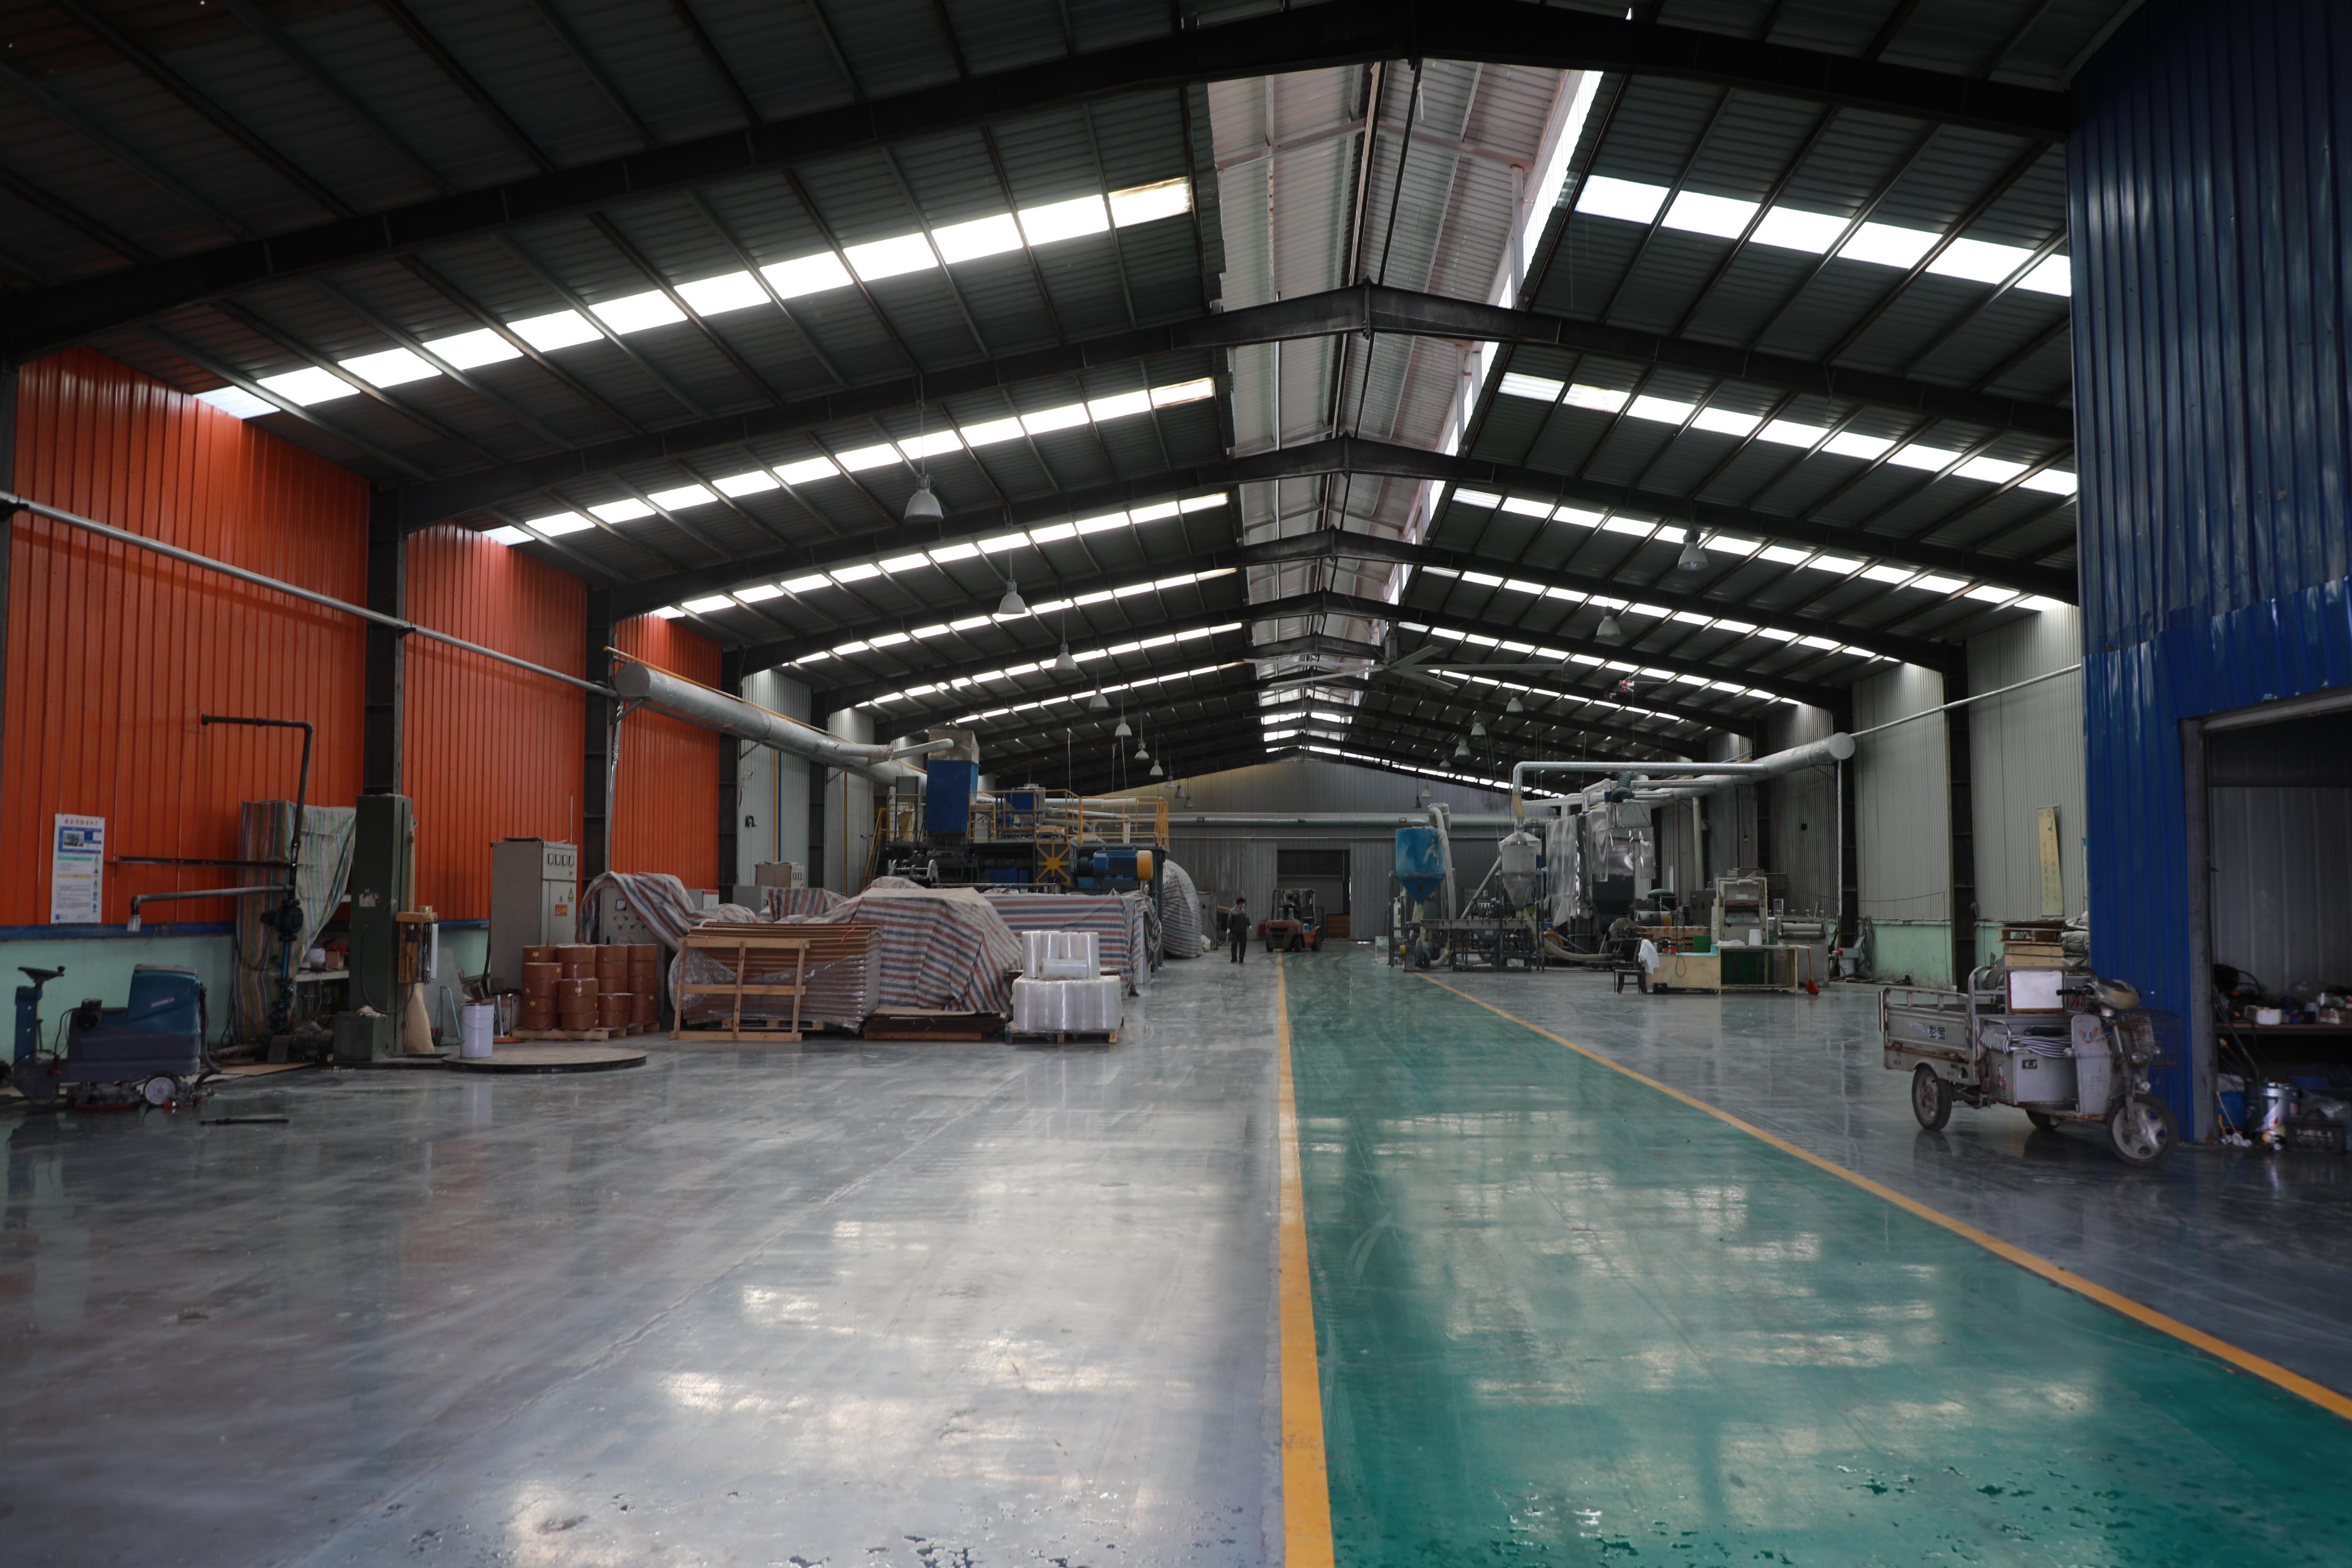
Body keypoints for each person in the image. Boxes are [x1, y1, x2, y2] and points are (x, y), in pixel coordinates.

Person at [1229, 896, 1249, 964]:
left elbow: (1247, 919)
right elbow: (1230, 921)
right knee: (1234, 945)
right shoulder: (1232, 911)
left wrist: (1250, 925)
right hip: (1234, 932)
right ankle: (1234, 958)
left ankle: (1241, 959)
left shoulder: (1244, 911)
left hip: (1243, 932)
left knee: (1243, 946)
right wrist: (1228, 928)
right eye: (1243, 903)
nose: (1243, 905)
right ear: (1240, 903)